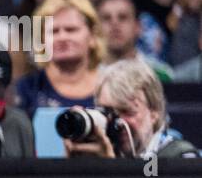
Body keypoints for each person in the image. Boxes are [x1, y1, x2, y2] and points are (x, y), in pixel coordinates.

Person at [64, 57, 199, 157]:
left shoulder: (180, 157)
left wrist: (108, 169)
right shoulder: (98, 152)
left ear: (154, 112)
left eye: (127, 112)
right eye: (107, 111)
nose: (118, 122)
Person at [13, 0, 105, 114]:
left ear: (92, 36)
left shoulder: (110, 86)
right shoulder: (25, 89)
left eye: (71, 30)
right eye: (54, 31)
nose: (62, 37)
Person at [96, 0, 173, 79]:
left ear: (138, 27)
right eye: (106, 18)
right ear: (96, 29)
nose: (115, 24)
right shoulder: (85, 77)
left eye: (123, 17)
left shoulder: (159, 74)